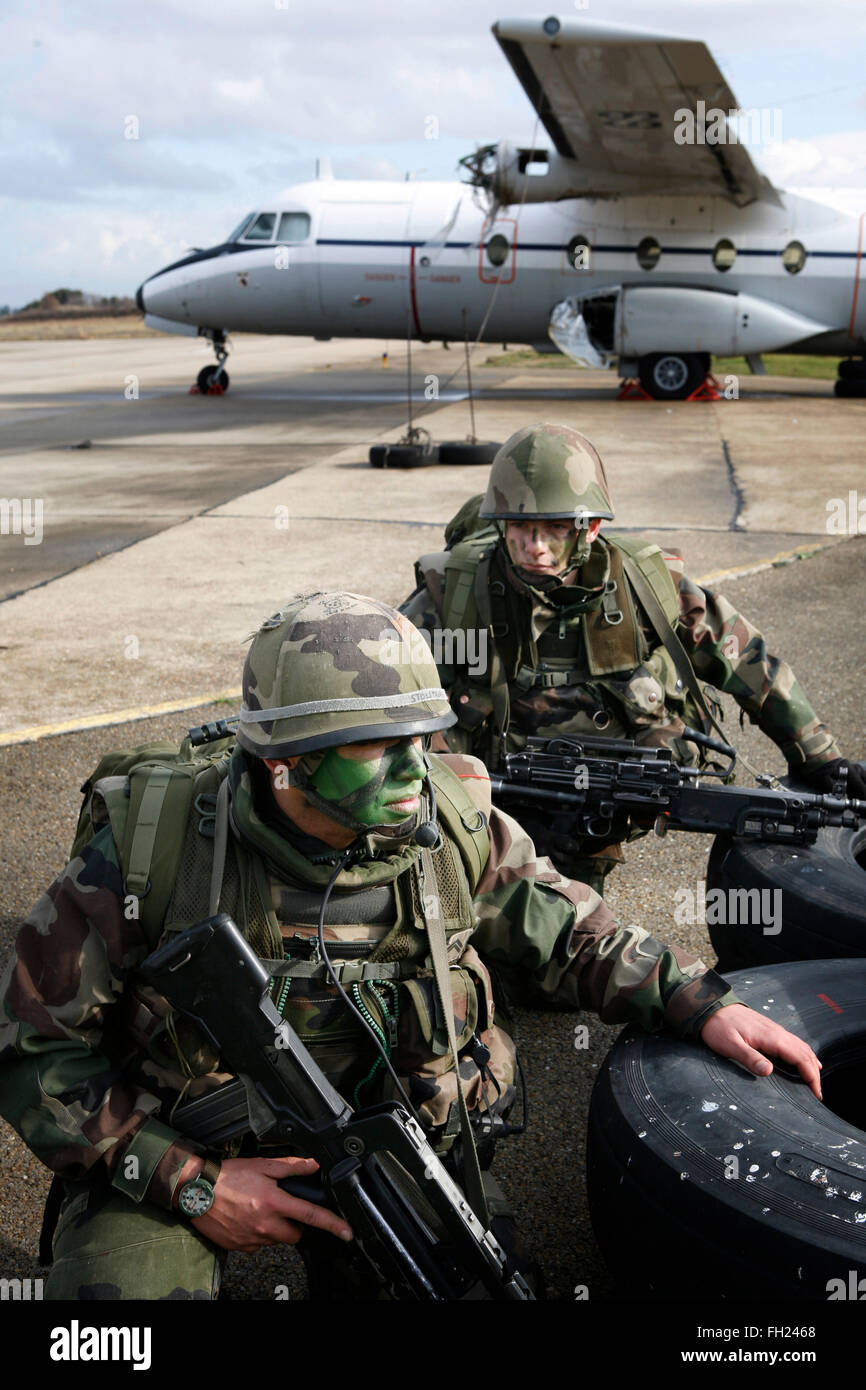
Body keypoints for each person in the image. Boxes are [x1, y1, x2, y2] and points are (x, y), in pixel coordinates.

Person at [0, 591, 821, 1300]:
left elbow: (570, 931)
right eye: (378, 745)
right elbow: (32, 1042)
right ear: (286, 760)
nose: (414, 769)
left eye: (422, 738)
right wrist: (184, 1182)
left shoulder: (449, 824)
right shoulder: (159, 846)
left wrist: (699, 1003)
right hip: (191, 1143)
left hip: (396, 1144)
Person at [401, 423, 865, 891]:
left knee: (573, 925)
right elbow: (391, 699)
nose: (534, 547)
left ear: (591, 528)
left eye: (555, 530)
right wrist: (479, 812)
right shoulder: (457, 595)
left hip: (611, 795)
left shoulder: (648, 585)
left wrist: (819, 757)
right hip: (491, 793)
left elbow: (744, 659)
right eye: (520, 528)